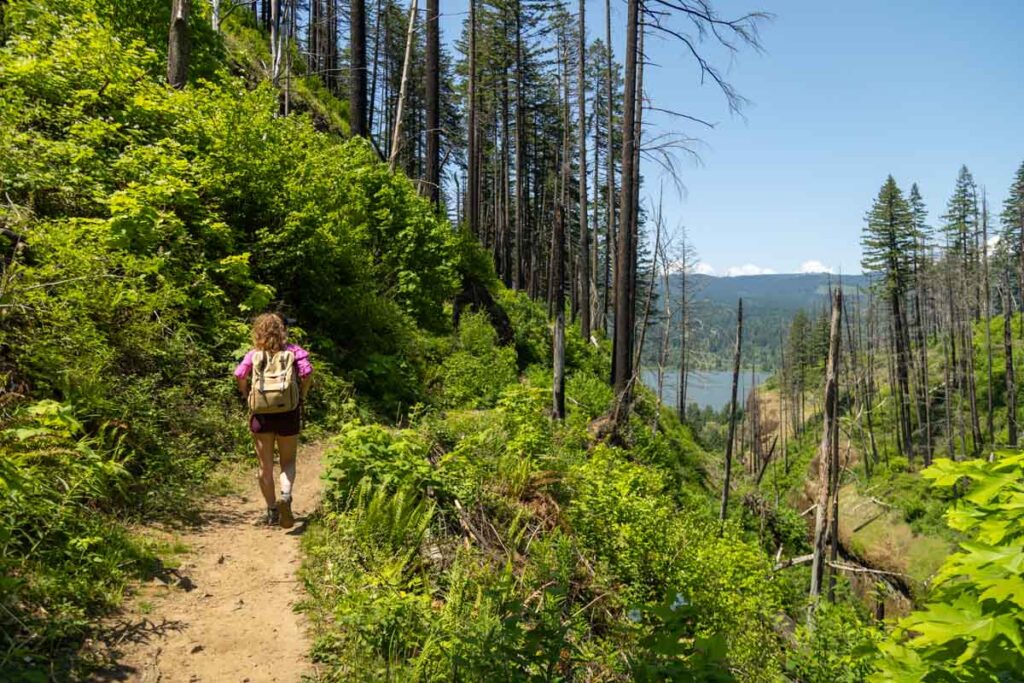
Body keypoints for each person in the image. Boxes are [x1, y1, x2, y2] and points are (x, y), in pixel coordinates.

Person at [234, 313, 313, 527]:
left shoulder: (254, 354)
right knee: (288, 461)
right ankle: (285, 497)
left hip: (261, 414)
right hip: (288, 411)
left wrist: (246, 395)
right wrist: (302, 395)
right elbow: (307, 373)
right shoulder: (294, 351)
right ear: (282, 330)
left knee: (264, 465)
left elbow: (239, 375)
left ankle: (271, 511)